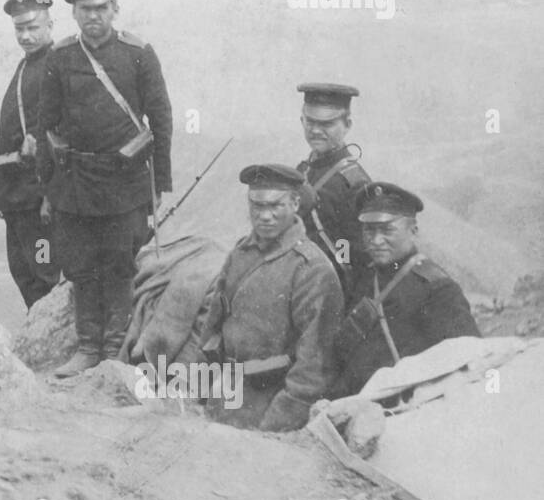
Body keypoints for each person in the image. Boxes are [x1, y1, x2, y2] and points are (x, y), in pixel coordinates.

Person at [38, 0, 173, 376]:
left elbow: (161, 120)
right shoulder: (60, 58)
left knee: (118, 262)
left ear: (115, 9)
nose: (94, 16)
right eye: (85, 10)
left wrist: (160, 182)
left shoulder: (138, 53)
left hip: (125, 179)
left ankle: (114, 349)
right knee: (80, 263)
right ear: (74, 14)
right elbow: (46, 125)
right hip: (76, 180)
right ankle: (87, 347)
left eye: (102, 8)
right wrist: (50, 187)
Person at [190, 164, 342, 432]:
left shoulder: (311, 268)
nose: (265, 216)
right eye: (256, 206)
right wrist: (200, 392)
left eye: (275, 206)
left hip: (268, 408)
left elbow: (312, 369)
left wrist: (273, 428)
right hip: (224, 394)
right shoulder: (241, 253)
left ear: (295, 203)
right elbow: (213, 327)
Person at [332, 182, 481, 397]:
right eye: (369, 230)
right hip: (355, 401)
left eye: (387, 230)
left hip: (404, 410)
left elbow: (469, 357)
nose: (375, 240)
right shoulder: (366, 277)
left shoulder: (437, 289)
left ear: (414, 230)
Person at [0, 0, 60, 308]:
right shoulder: (25, 67)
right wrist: (0, 194)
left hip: (39, 199)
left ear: (49, 24)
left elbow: (62, 132)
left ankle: (51, 343)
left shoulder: (57, 66)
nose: (25, 36)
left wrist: (51, 195)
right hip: (16, 197)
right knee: (23, 271)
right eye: (19, 29)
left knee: (44, 271)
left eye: (32, 27)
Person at [294, 82, 371, 298]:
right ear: (302, 120)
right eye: (310, 122)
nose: (316, 130)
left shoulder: (354, 184)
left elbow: (354, 258)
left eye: (326, 124)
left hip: (333, 293)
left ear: (347, 124)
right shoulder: (303, 170)